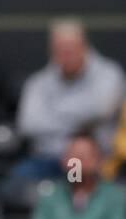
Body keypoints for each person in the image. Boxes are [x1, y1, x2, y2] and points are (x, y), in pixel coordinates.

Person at [14, 19, 125, 183]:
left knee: (78, 186)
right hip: (48, 158)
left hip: (90, 161)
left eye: (71, 49)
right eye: (61, 50)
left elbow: (99, 109)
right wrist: (80, 121)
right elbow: (28, 124)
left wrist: (54, 112)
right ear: (52, 51)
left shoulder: (109, 74)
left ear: (84, 47)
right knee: (16, 185)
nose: (66, 55)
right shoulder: (38, 82)